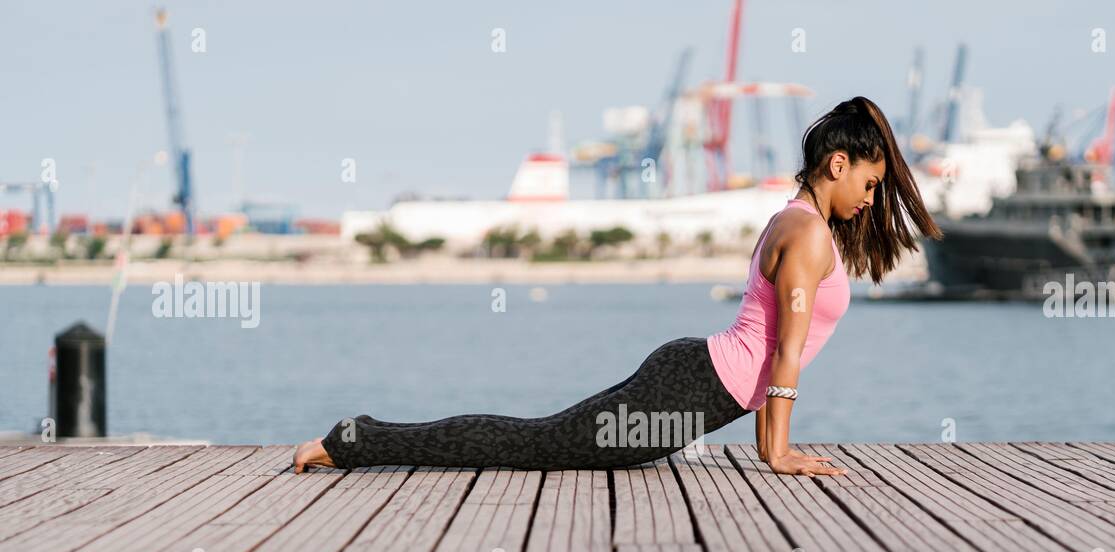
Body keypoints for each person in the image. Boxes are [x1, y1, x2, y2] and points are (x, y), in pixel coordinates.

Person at [293, 96, 940, 477]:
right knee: (532, 444)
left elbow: (777, 349)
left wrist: (773, 443)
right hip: (688, 390)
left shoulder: (796, 224)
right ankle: (358, 440)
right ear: (838, 164)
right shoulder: (803, 237)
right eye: (871, 181)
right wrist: (777, 453)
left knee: (537, 437)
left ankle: (359, 438)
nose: (871, 196)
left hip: (691, 378)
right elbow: (786, 353)